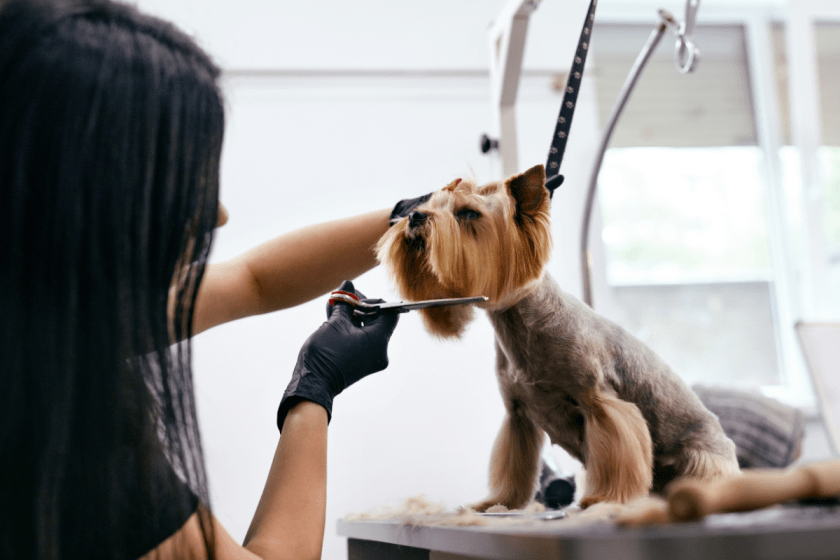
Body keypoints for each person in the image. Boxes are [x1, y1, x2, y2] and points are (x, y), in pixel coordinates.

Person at [0, 0, 428, 557]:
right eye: (180, 184)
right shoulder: (69, 433)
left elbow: (253, 280)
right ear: (97, 196)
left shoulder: (47, 302)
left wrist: (408, 216)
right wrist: (313, 392)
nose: (215, 214)